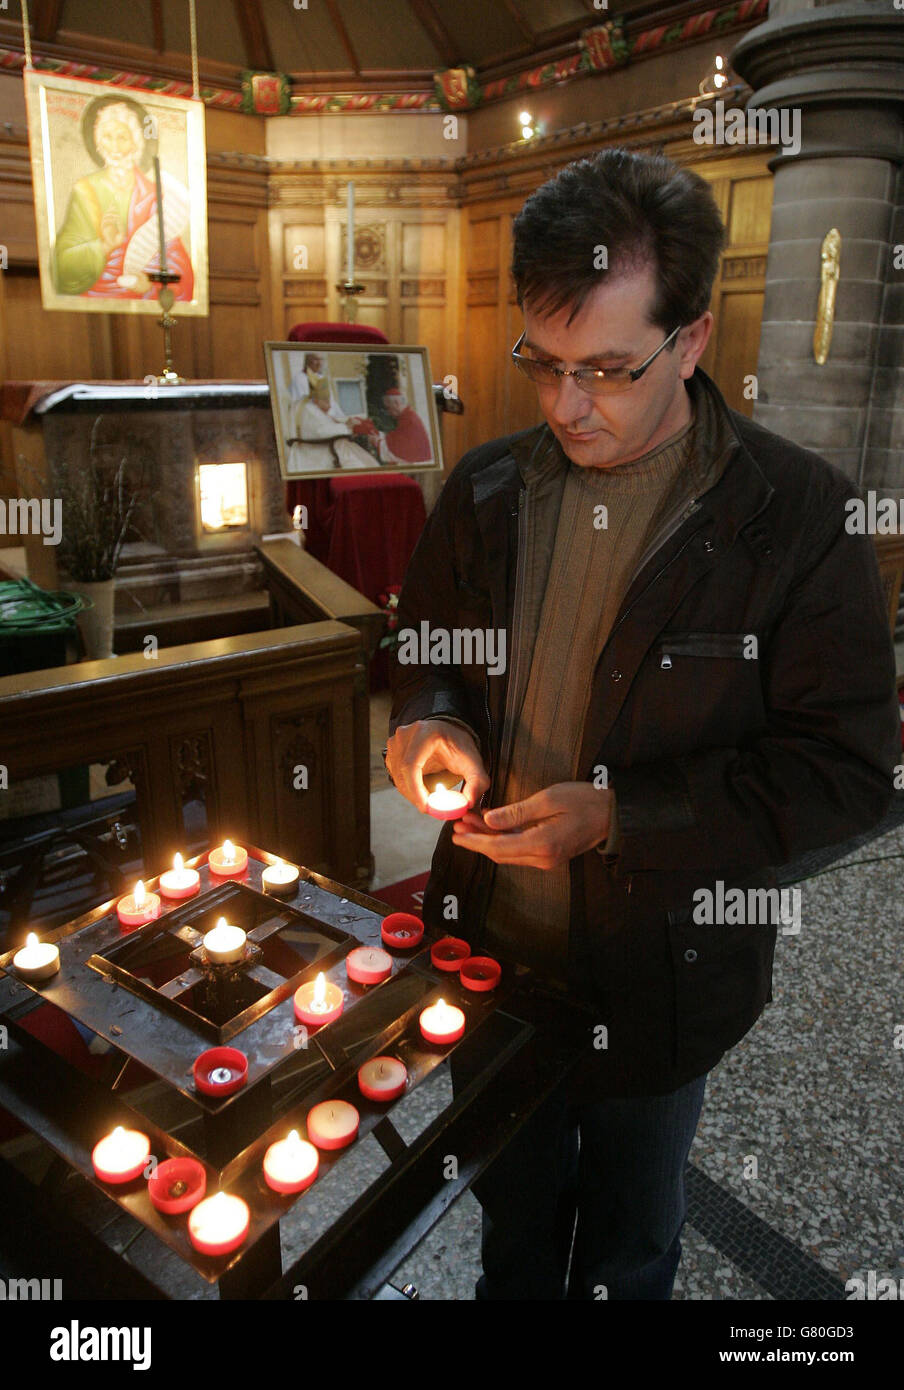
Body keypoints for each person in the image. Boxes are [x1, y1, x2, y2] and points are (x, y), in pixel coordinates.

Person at [385, 147, 899, 1300]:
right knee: (511, 1227)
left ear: (694, 340)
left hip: (665, 970)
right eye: (545, 363)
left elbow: (845, 773)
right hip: (490, 951)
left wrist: (619, 817)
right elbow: (426, 658)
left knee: (630, 1239)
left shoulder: (795, 515)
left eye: (609, 371)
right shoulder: (483, 488)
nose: (568, 406)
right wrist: (429, 728)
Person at [53, 100, 194, 301]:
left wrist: (148, 282)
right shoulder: (86, 191)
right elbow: (63, 262)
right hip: (94, 294)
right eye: (108, 137)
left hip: (142, 292)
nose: (115, 147)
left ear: (135, 143)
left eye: (122, 138)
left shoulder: (152, 195)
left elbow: (177, 266)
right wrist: (105, 246)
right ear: (98, 142)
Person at [378, 388, 433, 464]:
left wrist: (378, 443)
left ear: (397, 403)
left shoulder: (409, 419)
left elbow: (402, 448)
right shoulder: (407, 415)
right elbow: (398, 437)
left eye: (388, 408)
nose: (389, 412)